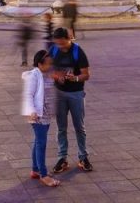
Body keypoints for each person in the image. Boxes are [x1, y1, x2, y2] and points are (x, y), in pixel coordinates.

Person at [49, 27, 92, 174]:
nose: (61, 47)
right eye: (58, 44)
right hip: (59, 93)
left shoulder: (77, 51)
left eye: (63, 44)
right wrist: (56, 76)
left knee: (79, 126)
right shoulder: (53, 50)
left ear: (69, 39)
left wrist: (75, 78)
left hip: (76, 93)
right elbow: (47, 69)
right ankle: (62, 158)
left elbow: (86, 74)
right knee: (61, 127)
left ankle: (83, 157)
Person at [22, 49, 61, 188]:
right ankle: (44, 175)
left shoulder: (46, 74)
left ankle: (35, 169)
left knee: (38, 142)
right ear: (39, 64)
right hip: (37, 115)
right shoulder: (34, 76)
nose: (50, 66)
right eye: (48, 64)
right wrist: (31, 111)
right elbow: (28, 95)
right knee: (41, 144)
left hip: (46, 115)